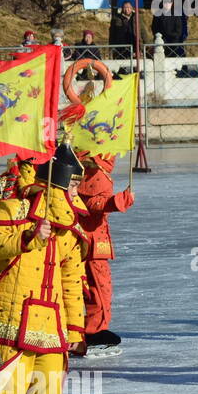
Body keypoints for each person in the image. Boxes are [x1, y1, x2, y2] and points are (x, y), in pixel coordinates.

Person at [0, 145, 87, 394]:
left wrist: (77, 328)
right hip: (11, 322)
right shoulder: (12, 209)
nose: (77, 193)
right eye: (73, 186)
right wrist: (25, 238)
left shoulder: (69, 230)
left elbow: (71, 282)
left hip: (51, 328)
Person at [70, 152, 135, 357]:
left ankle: (86, 329)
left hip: (90, 238)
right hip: (90, 240)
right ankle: (93, 332)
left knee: (91, 286)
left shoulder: (86, 171)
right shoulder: (91, 174)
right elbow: (91, 204)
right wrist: (117, 202)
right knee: (98, 287)